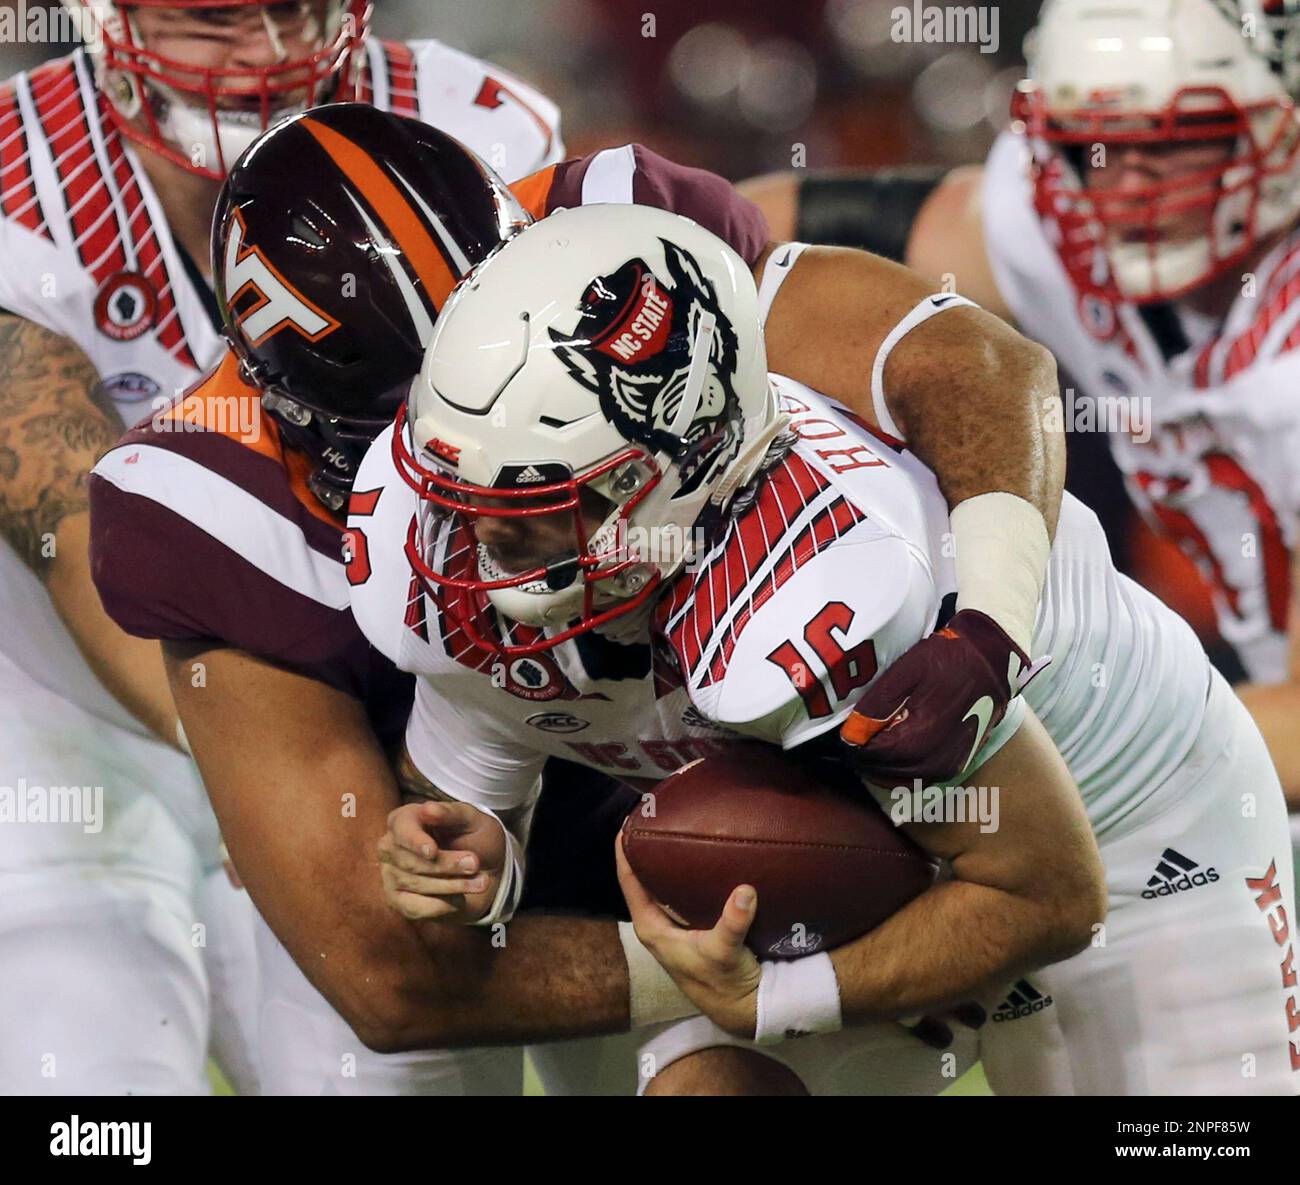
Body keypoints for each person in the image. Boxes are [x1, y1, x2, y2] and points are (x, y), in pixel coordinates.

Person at [90, 100, 1069, 1093]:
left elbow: (964, 362)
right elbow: (393, 975)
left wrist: (991, 617)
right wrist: (783, 965)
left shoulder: (626, 265)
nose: (473, 481)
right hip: (617, 882)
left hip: (851, 797)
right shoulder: (211, 515)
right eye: (429, 443)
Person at [366, 201, 1297, 1095]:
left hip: (1123, 828)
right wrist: (475, 861)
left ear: (675, 467)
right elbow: (471, 793)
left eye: (539, 510)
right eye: (474, 500)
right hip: (881, 863)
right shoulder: (450, 545)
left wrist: (782, 998)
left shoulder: (815, 587)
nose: (485, 548)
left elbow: (1047, 894)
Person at [0, 0, 558, 1093]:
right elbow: (89, 561)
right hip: (84, 744)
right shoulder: (19, 197)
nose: (264, 53)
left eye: (293, 9)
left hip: (395, 709)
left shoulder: (477, 132)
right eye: (211, 21)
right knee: (91, 1085)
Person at [739, 0, 1300, 809]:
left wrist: (1012, 757)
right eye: (1096, 147)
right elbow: (790, 243)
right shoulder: (1065, 224)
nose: (1127, 187)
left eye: (1178, 145)